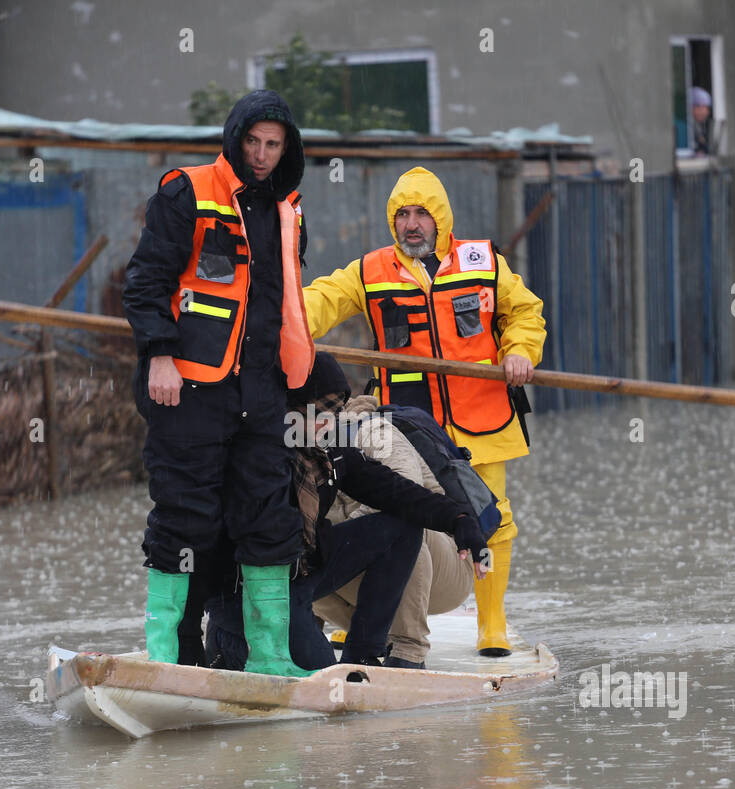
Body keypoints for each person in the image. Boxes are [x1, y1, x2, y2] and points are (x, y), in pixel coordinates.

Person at [303, 166, 546, 656]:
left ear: (441, 219)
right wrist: (280, 324)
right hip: (405, 428)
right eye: (402, 215)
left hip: (480, 420)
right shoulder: (369, 271)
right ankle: (364, 615)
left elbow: (523, 311)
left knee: (490, 516)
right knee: (379, 511)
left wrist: (520, 349)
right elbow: (320, 300)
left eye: (421, 214)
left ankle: (491, 624)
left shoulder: (484, 264)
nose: (412, 224)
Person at [121, 90, 315, 676]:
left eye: (273, 145)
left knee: (268, 519)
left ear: (287, 149)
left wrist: (298, 383)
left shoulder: (289, 210)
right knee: (183, 518)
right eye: (252, 142)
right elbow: (145, 282)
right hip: (188, 392)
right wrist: (159, 356)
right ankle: (165, 657)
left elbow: (281, 304)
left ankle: (271, 660)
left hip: (260, 395)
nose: (261, 155)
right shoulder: (186, 191)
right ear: (235, 139)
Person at [204, 353, 489, 671]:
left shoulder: (330, 448)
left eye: (333, 412)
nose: (326, 423)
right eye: (318, 412)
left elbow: (394, 491)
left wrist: (458, 519)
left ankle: (364, 653)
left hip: (300, 578)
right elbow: (200, 537)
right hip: (251, 591)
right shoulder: (250, 451)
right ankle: (228, 644)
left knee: (400, 527)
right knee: (312, 670)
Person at [311, 389, 477, 668]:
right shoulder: (293, 437)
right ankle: (326, 637)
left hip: (444, 570)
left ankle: (409, 650)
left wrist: (349, 543)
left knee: (403, 526)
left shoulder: (376, 433)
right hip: (366, 566)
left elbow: (406, 499)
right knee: (299, 542)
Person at [690, 87, 712, 155]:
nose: (702, 111)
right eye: (698, 106)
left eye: (705, 107)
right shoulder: (686, 129)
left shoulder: (706, 126)